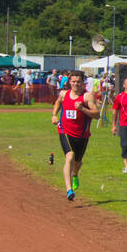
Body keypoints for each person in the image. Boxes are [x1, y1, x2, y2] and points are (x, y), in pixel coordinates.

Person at [51, 71, 101, 201]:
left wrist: (82, 109)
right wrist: (54, 115)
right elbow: (58, 102)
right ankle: (69, 190)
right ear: (69, 82)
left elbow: (97, 114)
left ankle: (75, 175)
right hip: (65, 131)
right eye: (73, 82)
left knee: (77, 163)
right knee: (70, 156)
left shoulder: (87, 97)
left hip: (82, 135)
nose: (75, 84)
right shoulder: (64, 94)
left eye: (78, 82)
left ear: (82, 82)